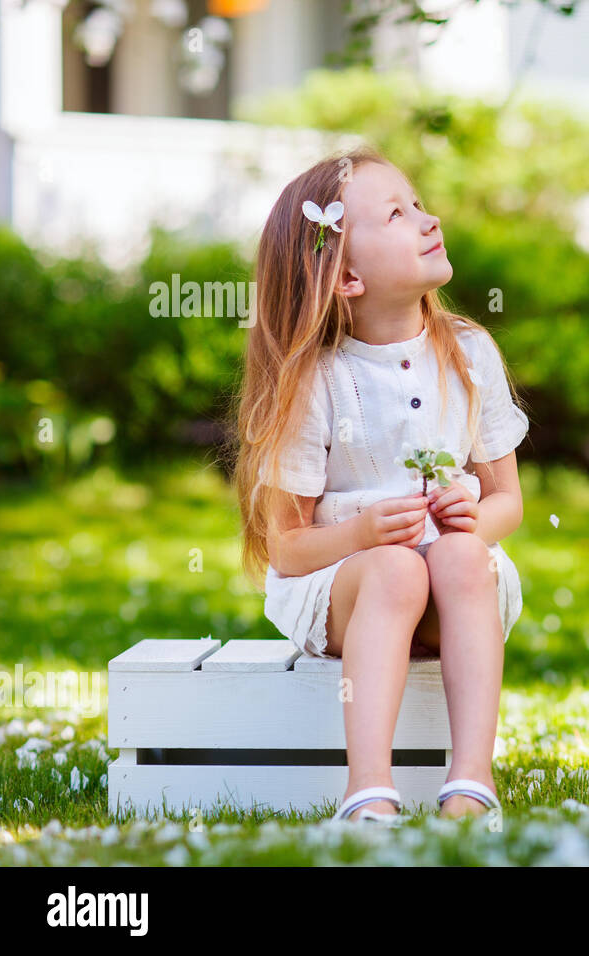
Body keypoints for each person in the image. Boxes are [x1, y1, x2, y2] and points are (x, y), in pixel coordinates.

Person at [232, 144, 530, 823]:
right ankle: (368, 790)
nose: (428, 220)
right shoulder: (318, 380)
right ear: (346, 279)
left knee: (457, 554)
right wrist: (363, 534)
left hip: (456, 589)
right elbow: (287, 549)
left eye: (419, 203)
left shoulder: (470, 353)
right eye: (398, 214)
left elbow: (508, 502)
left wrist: (473, 518)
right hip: (349, 592)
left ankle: (471, 784)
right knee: (396, 571)